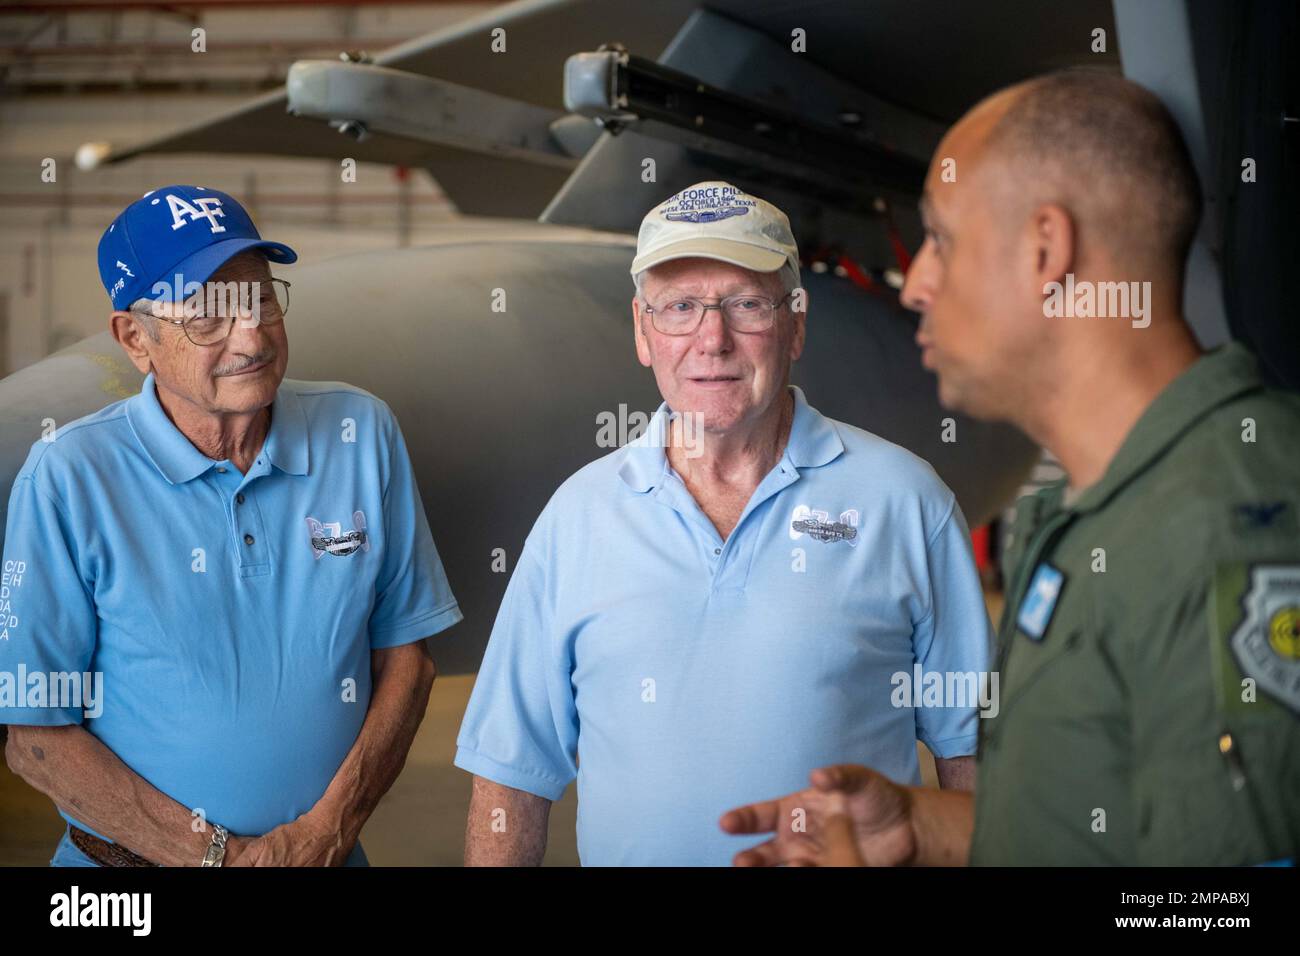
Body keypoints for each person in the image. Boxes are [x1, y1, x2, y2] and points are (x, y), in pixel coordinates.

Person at [720, 72, 1300, 866]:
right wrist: (924, 828)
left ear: (1046, 250)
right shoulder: (1101, 511)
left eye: (943, 241)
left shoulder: (1233, 525)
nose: (916, 283)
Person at [455, 181, 992, 865]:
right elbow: (509, 775)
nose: (712, 340)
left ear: (796, 322)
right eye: (679, 308)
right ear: (643, 333)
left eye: (745, 305)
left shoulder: (906, 503)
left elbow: (973, 757)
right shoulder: (577, 517)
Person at [0, 185, 462, 866]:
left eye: (258, 300)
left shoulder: (359, 433)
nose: (249, 336)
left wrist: (325, 832)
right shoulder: (70, 477)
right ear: (136, 338)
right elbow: (36, 738)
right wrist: (214, 857)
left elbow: (407, 662)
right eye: (206, 317)